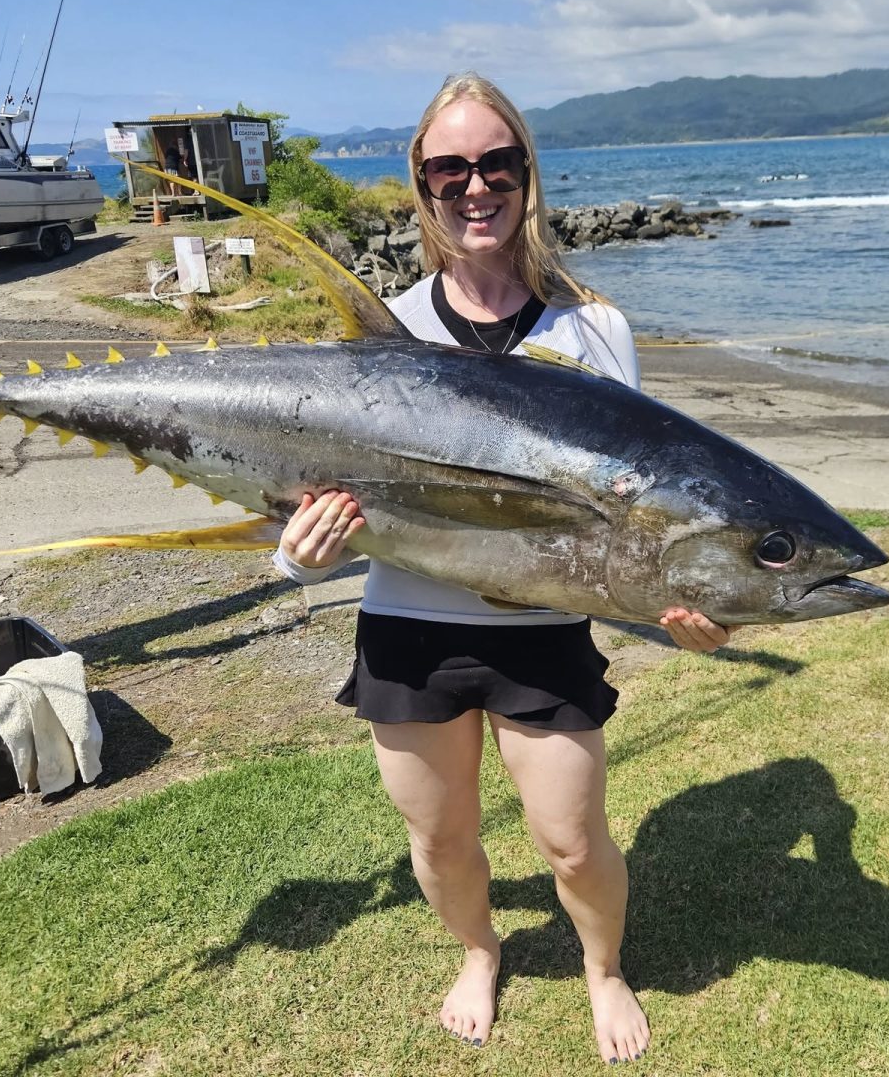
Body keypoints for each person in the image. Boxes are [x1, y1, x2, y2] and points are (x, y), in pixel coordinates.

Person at [273, 72, 730, 1066]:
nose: (474, 187)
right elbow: (306, 482)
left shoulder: (594, 331)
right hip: (409, 634)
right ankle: (480, 951)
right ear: (422, 187)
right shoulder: (382, 332)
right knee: (439, 841)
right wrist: (298, 555)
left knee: (571, 840)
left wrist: (681, 606)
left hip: (544, 635)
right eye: (450, 169)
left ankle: (603, 969)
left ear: (527, 175)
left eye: (496, 164)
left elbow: (642, 503)